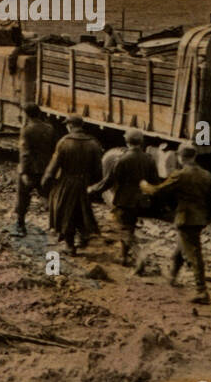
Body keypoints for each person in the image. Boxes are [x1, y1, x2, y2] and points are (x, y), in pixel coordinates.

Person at [142, 143, 211, 304]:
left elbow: (158, 190)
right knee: (181, 248)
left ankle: (202, 291)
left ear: (180, 157)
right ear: (194, 156)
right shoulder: (207, 175)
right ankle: (172, 276)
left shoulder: (180, 175)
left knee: (194, 254)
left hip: (186, 219)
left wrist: (145, 186)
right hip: (200, 219)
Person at [88, 128, 160, 266]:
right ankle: (124, 256)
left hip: (124, 199)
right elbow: (155, 182)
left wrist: (93, 189)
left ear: (127, 142)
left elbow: (110, 180)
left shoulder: (123, 159)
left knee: (122, 229)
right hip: (140, 200)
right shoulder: (149, 159)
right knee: (129, 227)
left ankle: (139, 255)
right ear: (141, 142)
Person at [41, 114, 103, 255]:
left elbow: (52, 169)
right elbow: (99, 170)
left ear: (69, 126)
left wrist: (45, 182)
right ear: (81, 126)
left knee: (65, 212)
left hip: (67, 182)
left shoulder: (64, 142)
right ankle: (82, 237)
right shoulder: (93, 143)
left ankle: (69, 245)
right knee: (82, 210)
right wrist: (92, 185)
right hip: (85, 183)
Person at [13, 104, 55, 236]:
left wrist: (23, 171)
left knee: (23, 198)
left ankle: (20, 225)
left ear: (26, 114)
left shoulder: (27, 130)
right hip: (46, 169)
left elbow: (25, 153)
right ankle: (55, 226)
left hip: (31, 170)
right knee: (49, 197)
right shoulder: (50, 128)